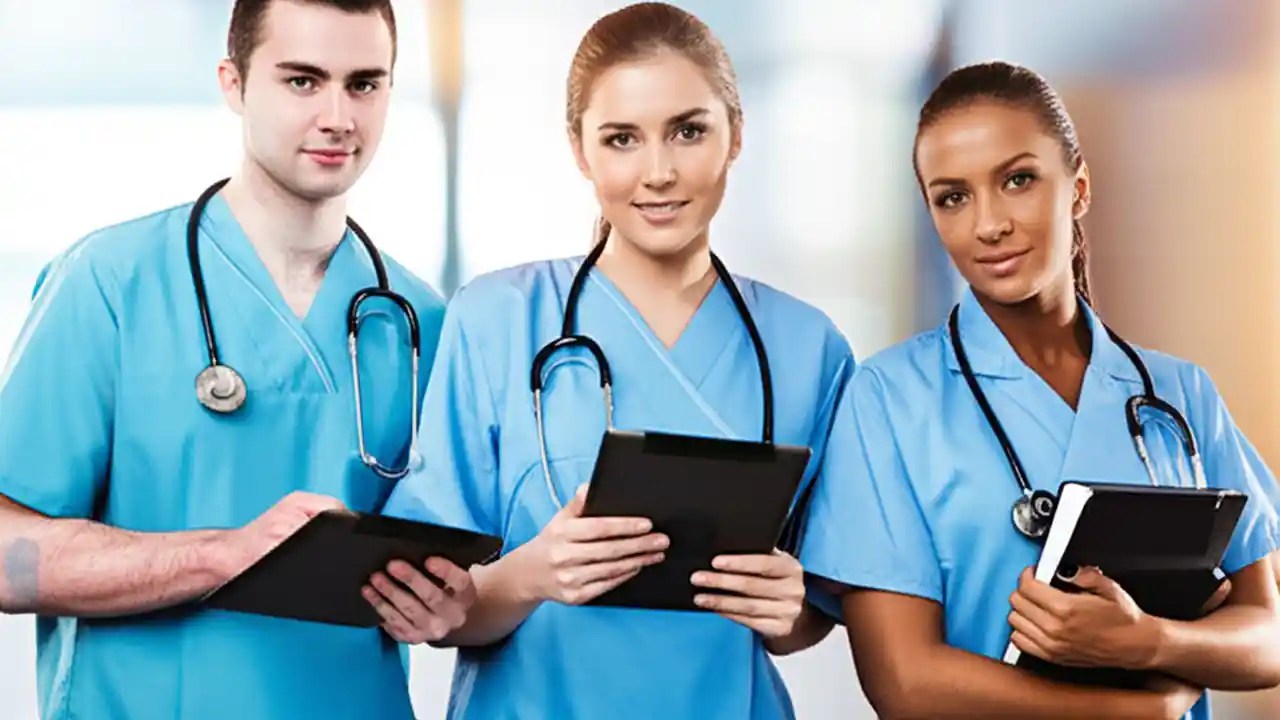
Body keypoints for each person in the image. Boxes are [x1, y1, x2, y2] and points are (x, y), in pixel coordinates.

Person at [377, 3, 853, 718]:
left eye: (688, 131)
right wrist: (532, 574)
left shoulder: (808, 348)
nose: (658, 172)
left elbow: (817, 608)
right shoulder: (497, 320)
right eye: (622, 138)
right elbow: (435, 610)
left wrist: (790, 611)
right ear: (580, 149)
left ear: (736, 133)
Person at [0, 1, 473, 718]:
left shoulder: (418, 323)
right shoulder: (111, 282)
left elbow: (448, 566)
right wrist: (221, 555)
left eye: (364, 84)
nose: (338, 117)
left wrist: (450, 606)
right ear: (234, 83)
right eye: (302, 81)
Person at [800, 60, 1280, 719]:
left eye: (1017, 180)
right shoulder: (889, 399)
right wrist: (1135, 711)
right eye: (953, 197)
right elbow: (903, 682)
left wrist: (1146, 642)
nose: (988, 224)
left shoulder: (1179, 395)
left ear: (1077, 188)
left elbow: (1267, 636)